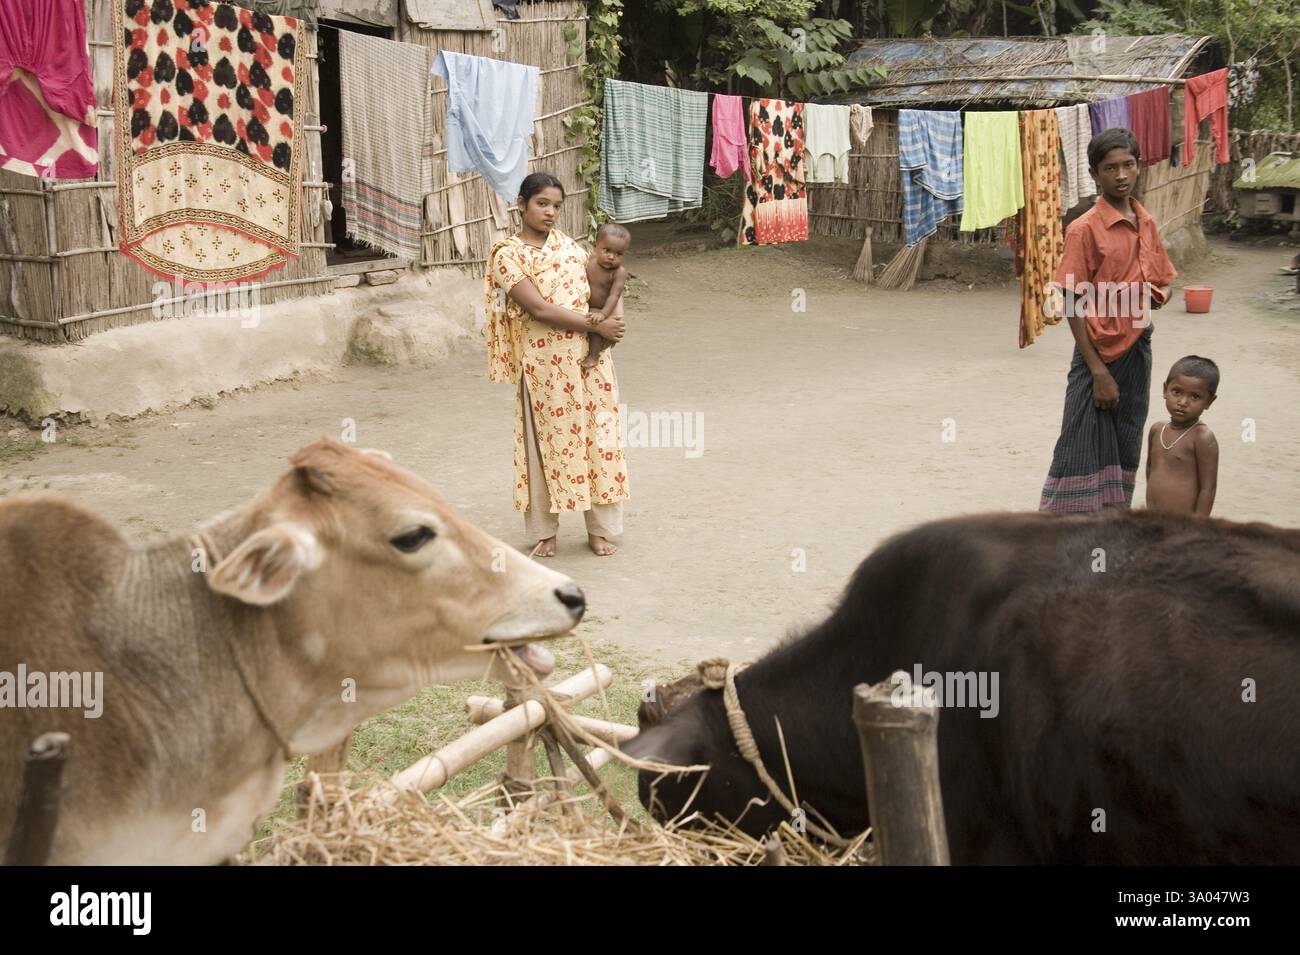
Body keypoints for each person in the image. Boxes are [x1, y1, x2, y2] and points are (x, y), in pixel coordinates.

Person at [484, 172, 630, 557]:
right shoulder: (508, 255)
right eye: (542, 204)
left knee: (598, 442)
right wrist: (596, 323)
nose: (550, 213)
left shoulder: (570, 246)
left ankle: (599, 529)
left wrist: (612, 322)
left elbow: (604, 284)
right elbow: (538, 308)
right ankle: (545, 532)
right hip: (543, 367)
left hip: (588, 362)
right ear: (522, 204)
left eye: (557, 206)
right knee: (545, 445)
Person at [1039, 128, 1177, 513]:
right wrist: (1098, 371)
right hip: (1096, 354)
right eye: (1110, 168)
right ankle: (1063, 529)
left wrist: (1156, 295)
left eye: (1128, 165)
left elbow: (1162, 277)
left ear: (1138, 166)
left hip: (1137, 348)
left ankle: (1113, 524)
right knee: (1078, 444)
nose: (1121, 175)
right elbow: (1069, 300)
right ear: (1094, 173)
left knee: (1125, 439)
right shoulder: (1083, 230)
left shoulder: (1145, 221)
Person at [1145, 356, 1219, 515]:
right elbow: (1150, 470)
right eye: (1177, 392)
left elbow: (1208, 488)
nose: (1183, 402)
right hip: (1153, 518)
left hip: (1183, 524)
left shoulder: (1202, 438)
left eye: (1195, 397)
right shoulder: (1157, 430)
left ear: (1209, 401)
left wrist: (1197, 526)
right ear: (1165, 390)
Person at [581, 223, 630, 370]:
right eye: (607, 250)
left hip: (601, 308)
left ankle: (593, 356)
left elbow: (614, 295)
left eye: (618, 254)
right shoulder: (589, 261)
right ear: (596, 247)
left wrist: (603, 314)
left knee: (595, 326)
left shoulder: (619, 272)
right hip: (584, 304)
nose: (611, 257)